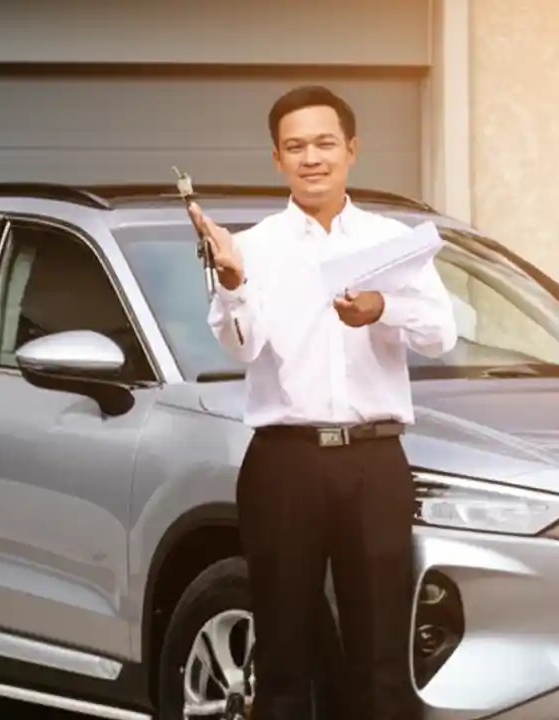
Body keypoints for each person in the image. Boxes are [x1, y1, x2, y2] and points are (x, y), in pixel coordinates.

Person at [189, 85, 458, 720]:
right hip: (286, 463)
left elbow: (441, 333)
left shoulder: (393, 241)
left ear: (352, 150)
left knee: (381, 657)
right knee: (283, 655)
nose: (312, 157)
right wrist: (230, 284)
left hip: (374, 462)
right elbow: (240, 346)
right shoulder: (251, 247)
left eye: (325, 143)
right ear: (278, 158)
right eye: (296, 146)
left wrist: (381, 308)